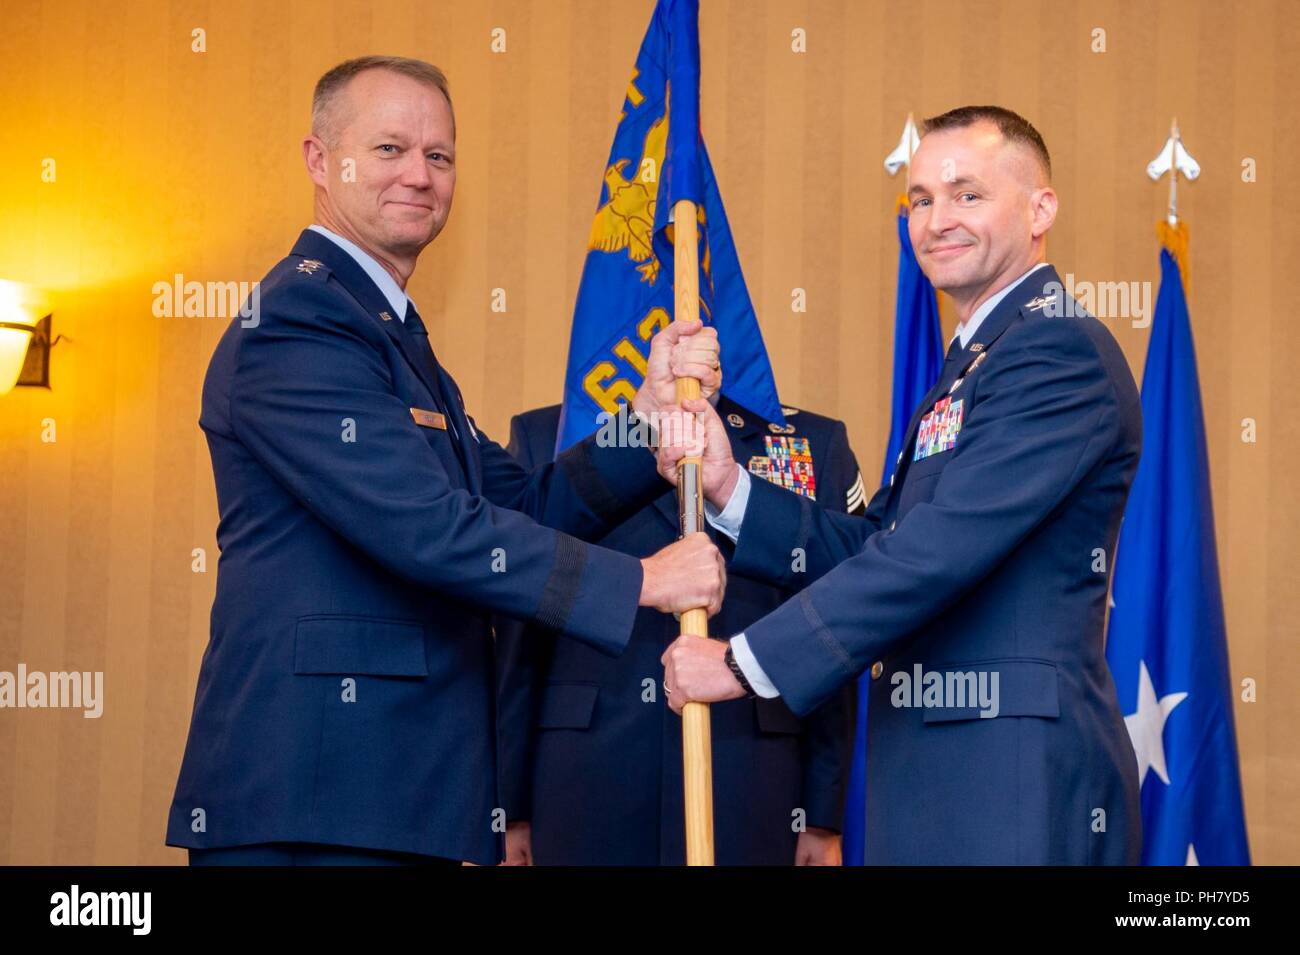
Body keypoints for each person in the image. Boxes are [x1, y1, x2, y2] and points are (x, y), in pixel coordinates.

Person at [165, 55, 725, 867]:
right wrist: (643, 581)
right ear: (320, 161)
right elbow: (427, 527)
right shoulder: (297, 317)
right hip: (317, 799)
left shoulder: (392, 332)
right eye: (389, 149)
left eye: (439, 156)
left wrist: (644, 420)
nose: (420, 176)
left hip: (396, 793)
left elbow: (520, 506)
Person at [659, 105, 1144, 865]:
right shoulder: (974, 360)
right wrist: (729, 486)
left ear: (1041, 208)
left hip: (1010, 783)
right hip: (936, 778)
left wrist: (740, 662)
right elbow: (879, 545)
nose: (936, 219)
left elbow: (935, 553)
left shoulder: (1056, 349)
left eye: (967, 194)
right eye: (920, 200)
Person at [495, 396, 865, 865]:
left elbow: (836, 618)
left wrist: (821, 813)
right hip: (583, 771)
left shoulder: (811, 440)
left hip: (753, 770)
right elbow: (518, 625)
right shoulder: (550, 433)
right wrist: (510, 808)